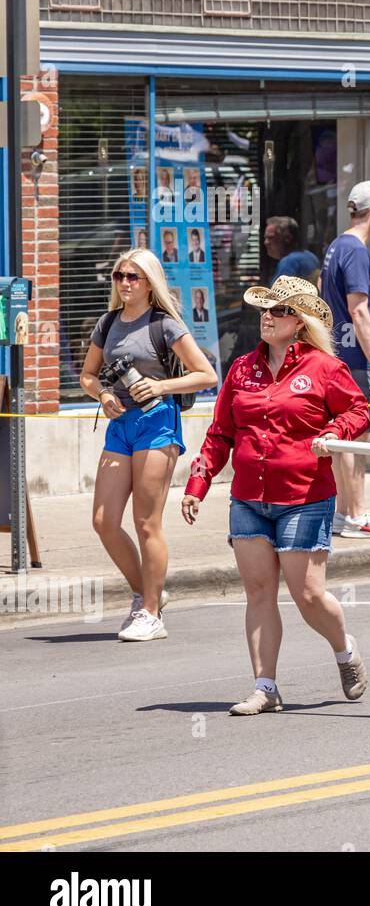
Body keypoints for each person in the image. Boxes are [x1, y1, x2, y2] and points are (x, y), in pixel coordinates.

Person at [181, 277, 370, 715]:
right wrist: (198, 484)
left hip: (304, 494)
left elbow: (358, 410)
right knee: (259, 592)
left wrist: (333, 431)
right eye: (265, 309)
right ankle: (265, 688)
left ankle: (344, 649)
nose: (268, 316)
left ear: (300, 322)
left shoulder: (324, 367)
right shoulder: (241, 369)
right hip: (248, 496)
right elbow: (220, 433)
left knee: (307, 595)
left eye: (280, 310)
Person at [79, 249, 219, 642]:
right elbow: (88, 376)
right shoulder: (107, 324)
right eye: (119, 275)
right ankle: (146, 591)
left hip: (157, 423)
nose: (125, 283)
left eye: (133, 277)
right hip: (121, 424)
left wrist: (160, 386)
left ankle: (151, 613)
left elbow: (205, 374)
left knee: (146, 522)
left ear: (149, 283)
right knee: (104, 520)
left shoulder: (164, 324)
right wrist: (103, 395)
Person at [319, 179, 370, 539]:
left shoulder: (337, 246)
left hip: (338, 354)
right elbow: (360, 310)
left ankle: (343, 512)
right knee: (357, 436)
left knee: (343, 437)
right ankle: (356, 514)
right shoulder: (355, 250)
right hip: (353, 357)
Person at [264, 216, 320, 283]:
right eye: (265, 238)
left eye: (271, 238)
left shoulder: (289, 262)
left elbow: (279, 292)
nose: (266, 242)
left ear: (287, 238)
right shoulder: (311, 256)